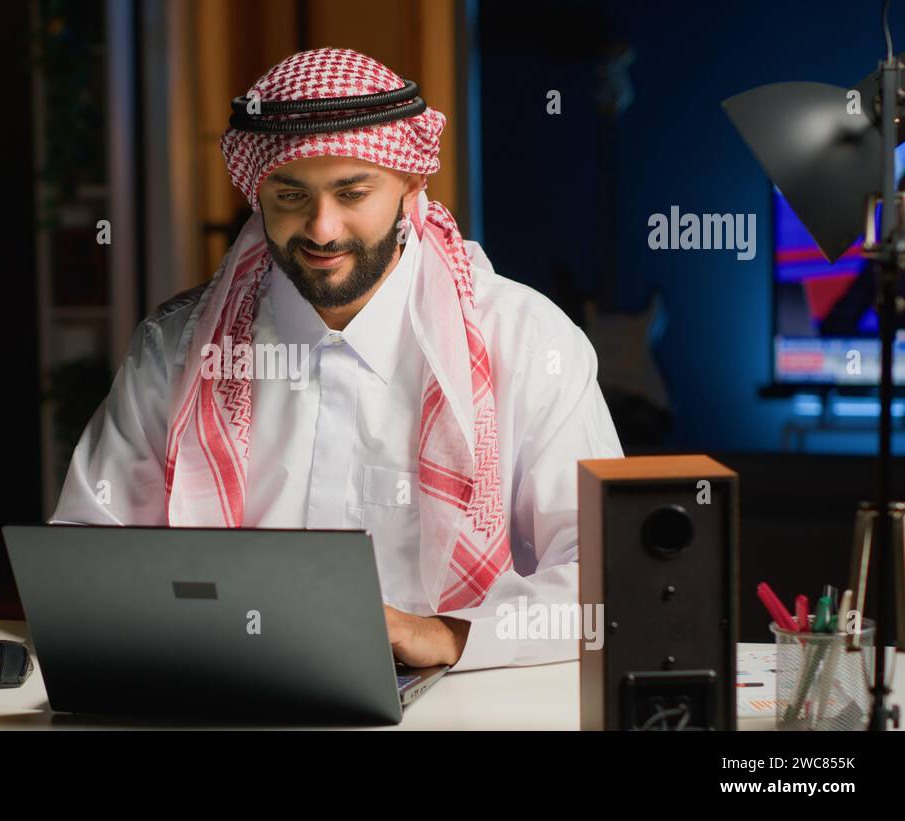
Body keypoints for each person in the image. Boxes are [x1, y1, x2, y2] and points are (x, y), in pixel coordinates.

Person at [52, 47, 624, 672]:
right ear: (258, 192)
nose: (322, 229)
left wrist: (448, 636)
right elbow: (86, 557)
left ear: (410, 189)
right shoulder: (174, 351)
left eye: (353, 192)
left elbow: (607, 581)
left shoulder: (528, 341)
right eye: (291, 195)